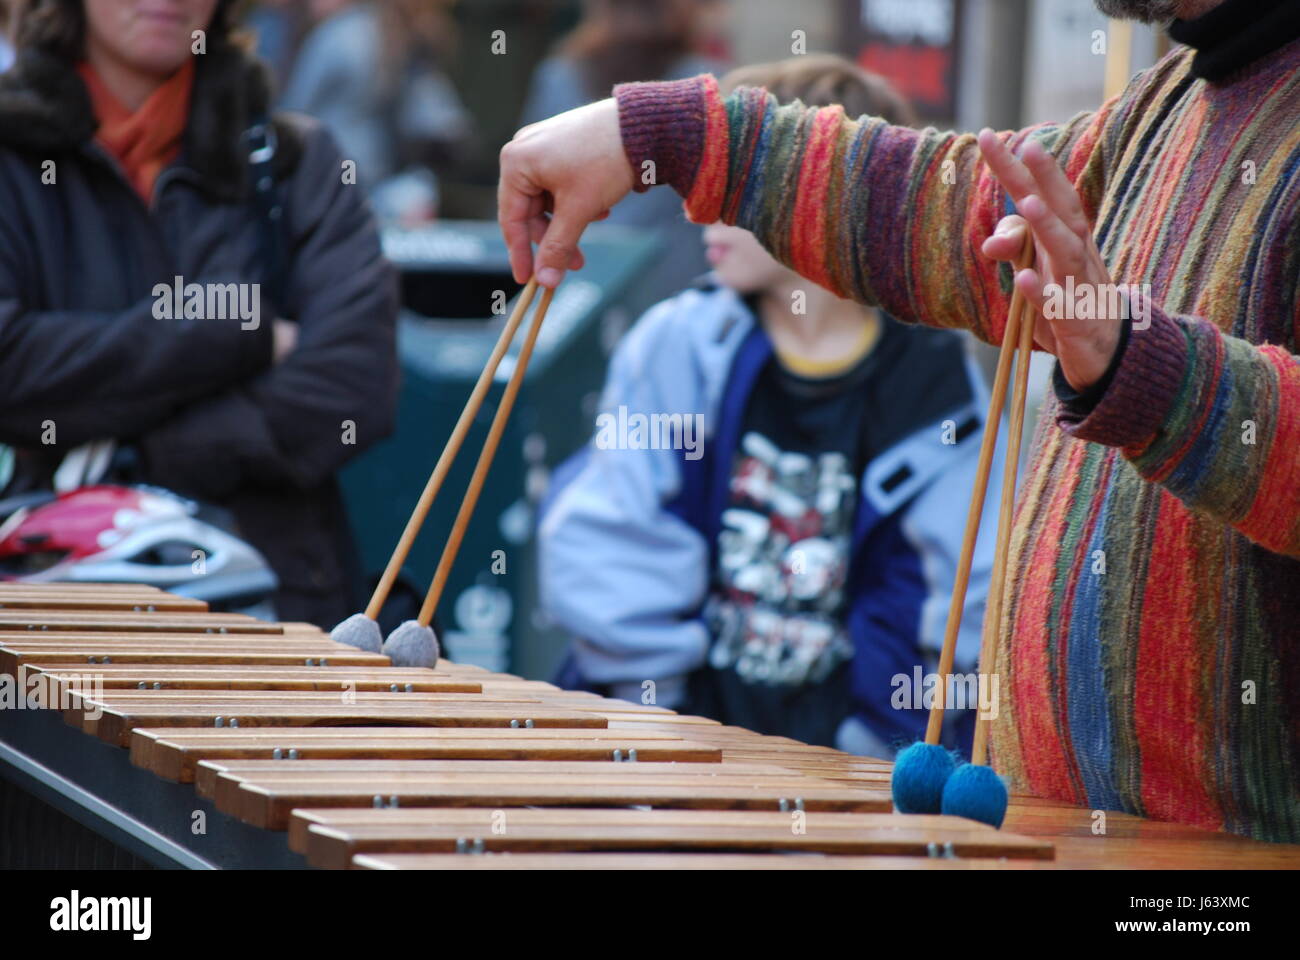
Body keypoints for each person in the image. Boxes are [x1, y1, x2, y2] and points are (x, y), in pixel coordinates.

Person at [498, 0, 1300, 842]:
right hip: (1086, 837)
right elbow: (954, 213)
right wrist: (668, 135)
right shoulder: (1173, 98)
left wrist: (1141, 364)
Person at [539, 56, 1001, 757]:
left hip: (855, 770)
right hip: (669, 746)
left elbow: (954, 599)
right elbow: (613, 545)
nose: (699, 206)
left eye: (737, 184)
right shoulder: (680, 341)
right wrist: (663, 738)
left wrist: (861, 765)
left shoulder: (931, 378)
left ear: (816, 203)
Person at [0, 0, 398, 626]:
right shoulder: (13, 161)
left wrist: (130, 457)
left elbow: (354, 383)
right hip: (52, 608)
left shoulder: (295, 158)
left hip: (280, 609)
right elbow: (9, 365)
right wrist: (236, 333)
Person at [520, 0, 726, 302]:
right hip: (671, 276)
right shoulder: (706, 84)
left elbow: (533, 173)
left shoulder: (559, 74)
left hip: (581, 270)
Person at [280, 0, 470, 222]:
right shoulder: (381, 33)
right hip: (358, 183)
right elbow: (445, 123)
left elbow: (294, 110)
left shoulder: (343, 34)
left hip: (353, 184)